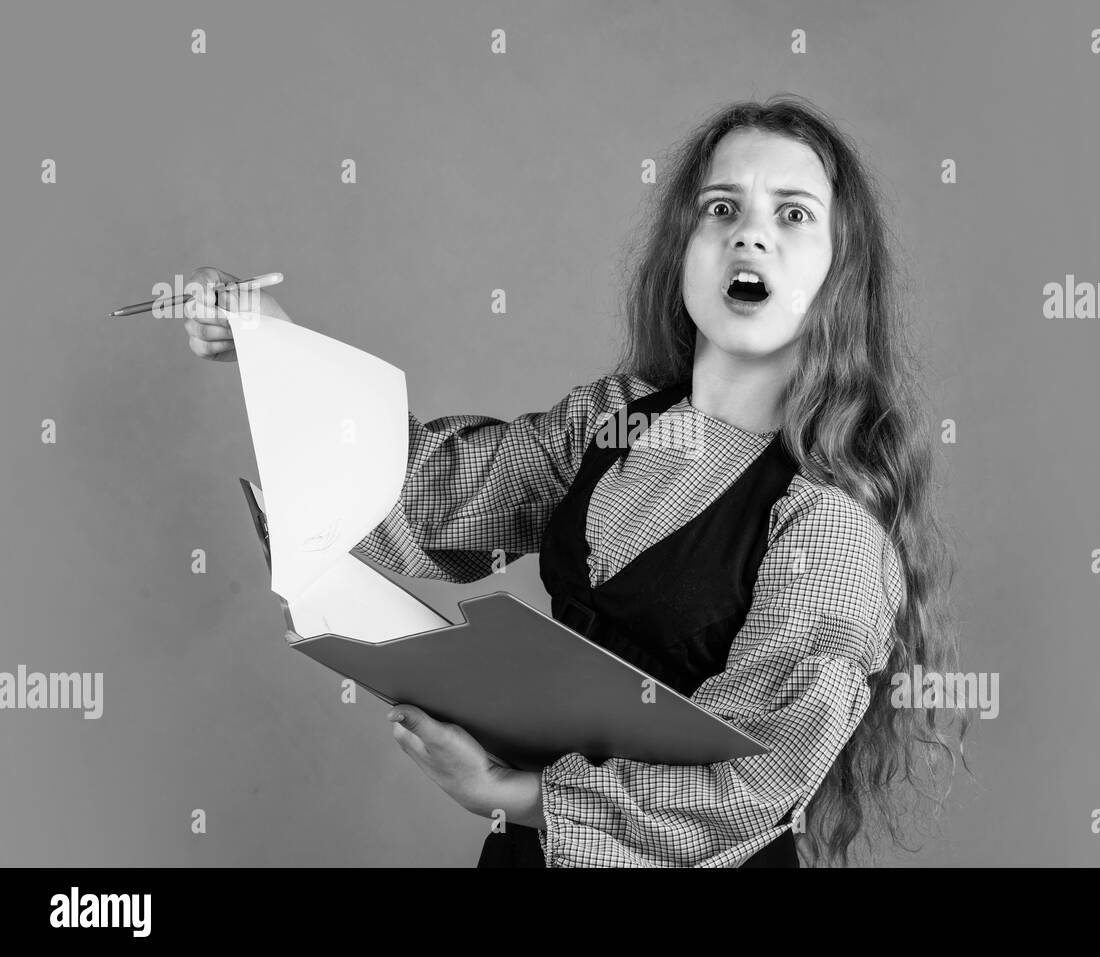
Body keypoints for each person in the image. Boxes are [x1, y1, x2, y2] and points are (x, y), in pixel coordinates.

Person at [182, 94, 968, 868]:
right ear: (682, 247)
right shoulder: (610, 420)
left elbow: (756, 780)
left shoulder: (829, 522)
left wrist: (514, 793)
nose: (749, 235)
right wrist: (275, 344)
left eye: (792, 215)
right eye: (721, 208)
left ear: (842, 272)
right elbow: (435, 497)